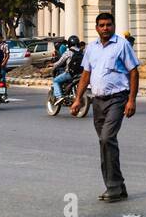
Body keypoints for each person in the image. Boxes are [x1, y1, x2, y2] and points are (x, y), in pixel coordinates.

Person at [71, 12, 140, 203]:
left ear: (113, 26)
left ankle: (113, 187)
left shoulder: (122, 45)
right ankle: (118, 186)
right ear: (96, 28)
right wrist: (78, 99)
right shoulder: (91, 48)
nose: (105, 28)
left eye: (108, 25)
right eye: (101, 25)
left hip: (117, 99)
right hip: (98, 101)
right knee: (105, 143)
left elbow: (133, 72)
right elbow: (86, 74)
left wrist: (131, 100)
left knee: (107, 138)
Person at [51, 36, 83, 101]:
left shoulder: (68, 52)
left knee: (55, 81)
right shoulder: (81, 52)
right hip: (80, 73)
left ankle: (59, 97)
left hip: (70, 73)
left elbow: (59, 63)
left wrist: (52, 65)